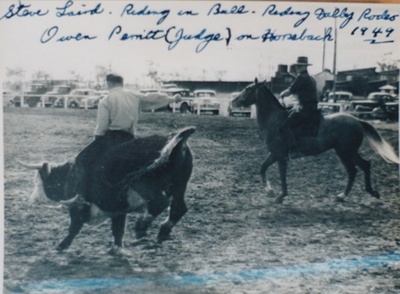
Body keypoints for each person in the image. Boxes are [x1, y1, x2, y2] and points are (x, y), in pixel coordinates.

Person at [65, 73, 181, 201]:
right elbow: (152, 98)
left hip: (111, 138)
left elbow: (102, 126)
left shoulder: (106, 100)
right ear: (122, 83)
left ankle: (80, 197)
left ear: (109, 83)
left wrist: (97, 140)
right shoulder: (133, 96)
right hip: (130, 138)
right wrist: (172, 99)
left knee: (82, 159)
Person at [279, 56, 319, 159]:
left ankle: (294, 149)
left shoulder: (301, 78)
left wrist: (282, 94)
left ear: (305, 66)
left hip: (304, 108)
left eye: (299, 66)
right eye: (297, 66)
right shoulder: (311, 79)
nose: (297, 68)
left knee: (284, 126)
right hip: (312, 107)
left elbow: (290, 91)